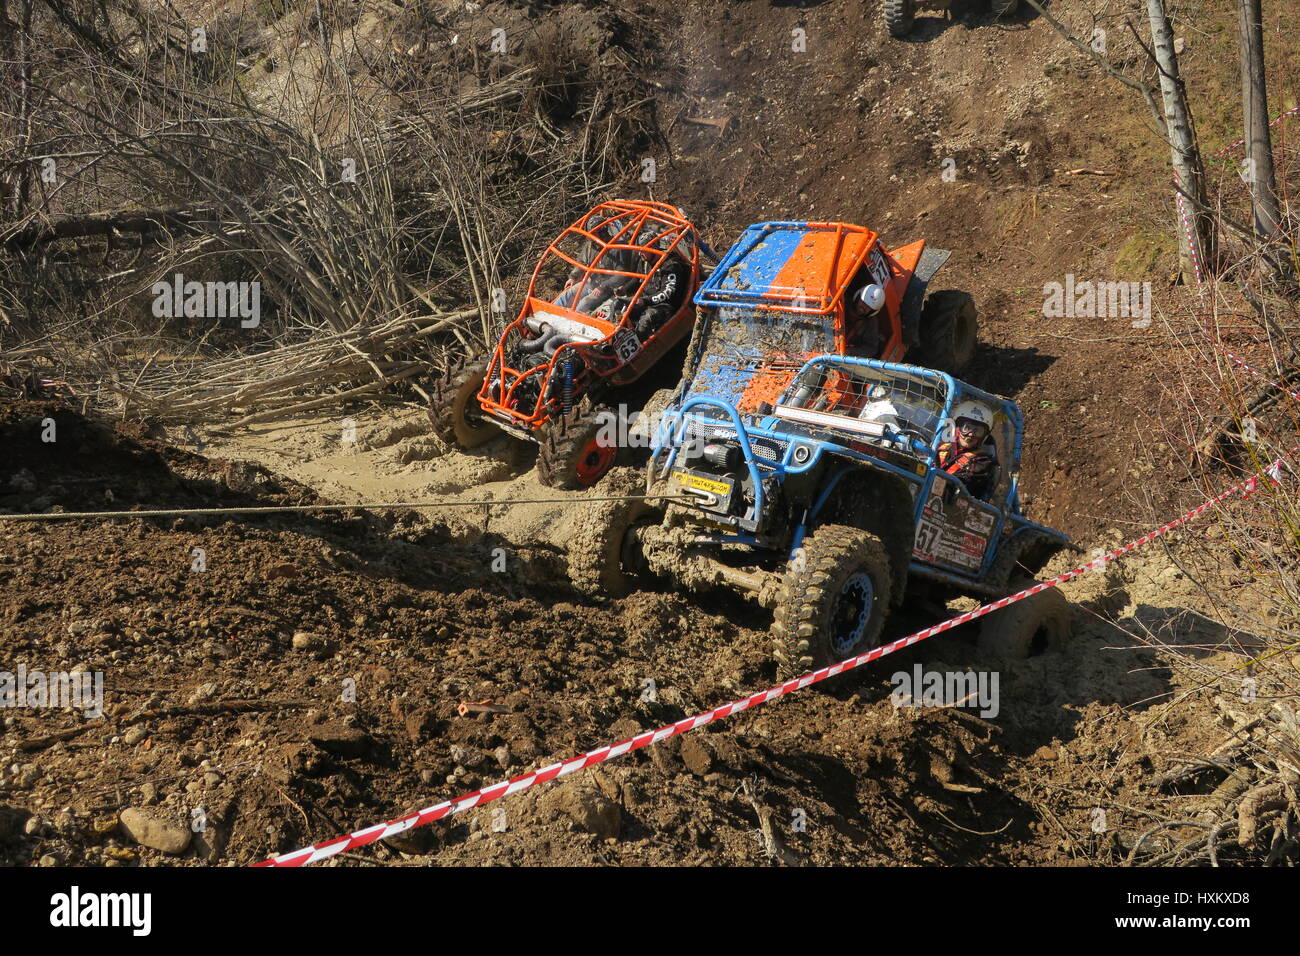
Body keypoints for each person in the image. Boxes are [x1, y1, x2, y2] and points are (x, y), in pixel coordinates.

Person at [936, 401, 997, 500]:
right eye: (967, 427)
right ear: (956, 427)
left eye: (978, 431)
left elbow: (963, 485)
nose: (971, 434)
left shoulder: (983, 463)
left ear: (984, 437)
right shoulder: (941, 448)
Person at [846, 283, 886, 357]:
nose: (863, 308)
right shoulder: (843, 303)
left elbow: (871, 348)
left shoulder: (871, 322)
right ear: (858, 297)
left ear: (872, 311)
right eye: (863, 303)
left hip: (844, 353)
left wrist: (850, 352)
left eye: (868, 307)